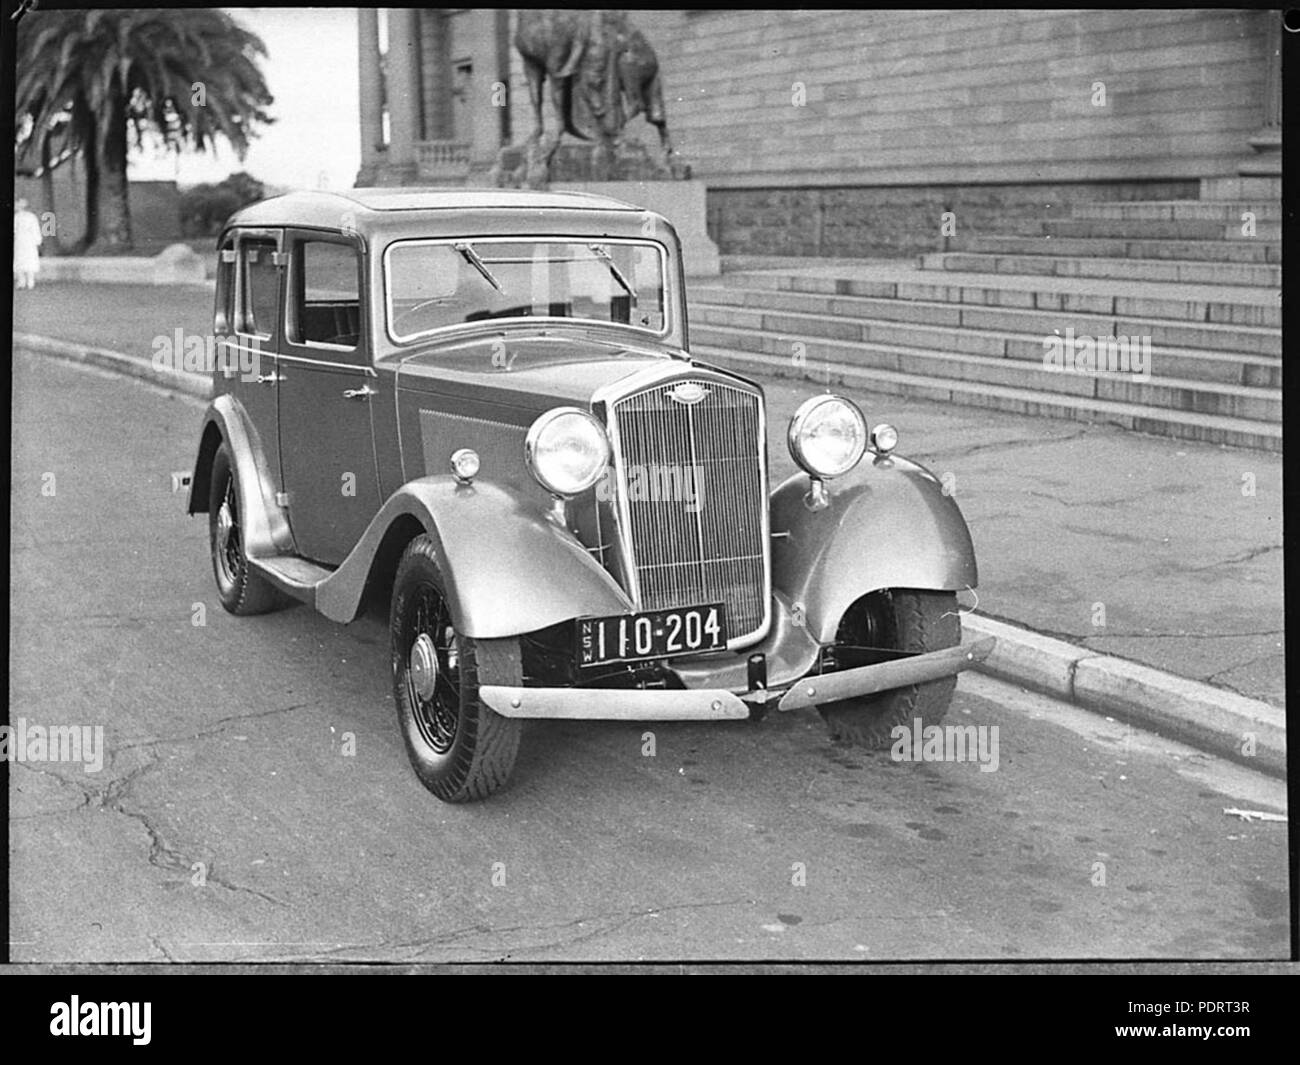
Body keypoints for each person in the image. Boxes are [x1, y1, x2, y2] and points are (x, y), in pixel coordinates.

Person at [14, 198, 43, 289]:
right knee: (20, 260)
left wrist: (37, 240)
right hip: (20, 241)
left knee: (29, 259)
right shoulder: (16, 217)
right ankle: (22, 281)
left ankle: (30, 281)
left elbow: (35, 229)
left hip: (28, 241)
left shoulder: (30, 217)